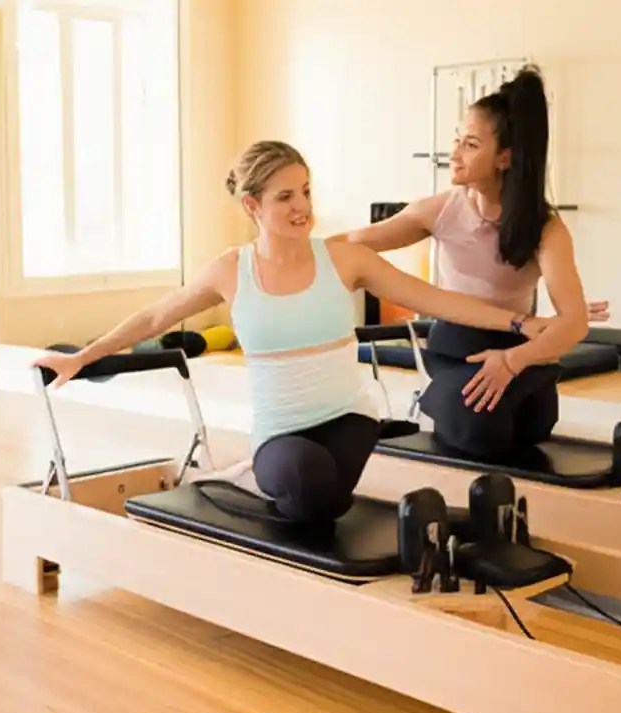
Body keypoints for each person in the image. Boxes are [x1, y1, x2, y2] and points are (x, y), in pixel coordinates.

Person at [33, 140, 553, 524]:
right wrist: (83, 356)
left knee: (319, 496)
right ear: (252, 206)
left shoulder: (344, 259)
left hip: (349, 418)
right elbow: (154, 318)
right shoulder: (231, 270)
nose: (302, 206)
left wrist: (519, 322)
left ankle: (295, 487)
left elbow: (436, 300)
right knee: (307, 484)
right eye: (285, 197)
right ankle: (244, 478)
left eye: (305, 191)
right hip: (281, 429)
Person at [338, 65, 597, 458]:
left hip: (516, 349)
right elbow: (355, 242)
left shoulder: (544, 228)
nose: (454, 154)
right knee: (480, 429)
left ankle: (498, 392)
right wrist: (287, 247)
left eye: (470, 145)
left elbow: (575, 321)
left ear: (504, 158)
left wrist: (512, 361)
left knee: (534, 427)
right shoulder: (438, 211)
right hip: (456, 346)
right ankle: (452, 399)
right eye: (457, 140)